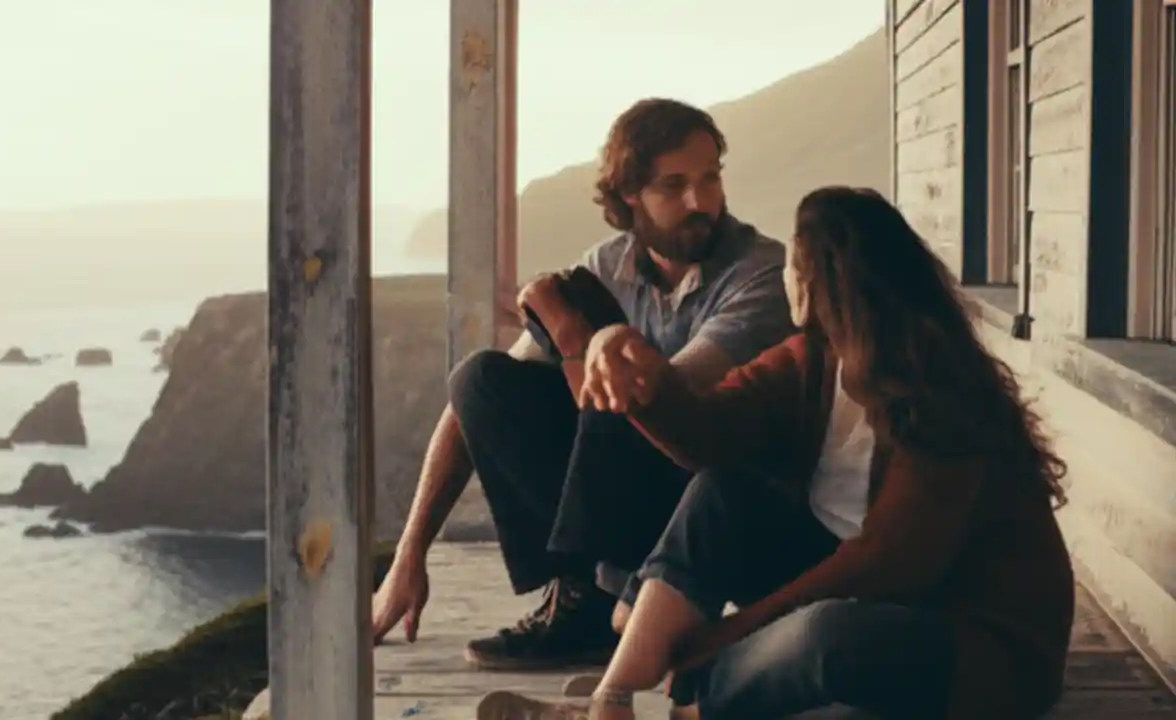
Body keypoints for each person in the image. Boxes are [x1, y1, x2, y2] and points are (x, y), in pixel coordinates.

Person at [478, 186, 1076, 719]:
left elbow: (889, 565)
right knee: (726, 491)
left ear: (824, 278)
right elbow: (705, 430)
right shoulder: (814, 361)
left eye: (794, 260)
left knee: (824, 635)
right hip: (863, 586)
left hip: (972, 642)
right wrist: (625, 362)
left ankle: (685, 708)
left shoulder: (941, 395)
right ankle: (611, 698)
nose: (785, 273)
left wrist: (732, 632)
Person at [371, 97, 796, 671]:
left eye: (710, 179)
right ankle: (587, 594)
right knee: (481, 378)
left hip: (715, 507)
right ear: (629, 196)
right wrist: (409, 553)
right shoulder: (606, 267)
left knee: (613, 368)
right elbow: (470, 412)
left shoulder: (760, 271)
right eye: (674, 186)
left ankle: (599, 600)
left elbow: (672, 399)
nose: (701, 202)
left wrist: (575, 333)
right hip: (630, 499)